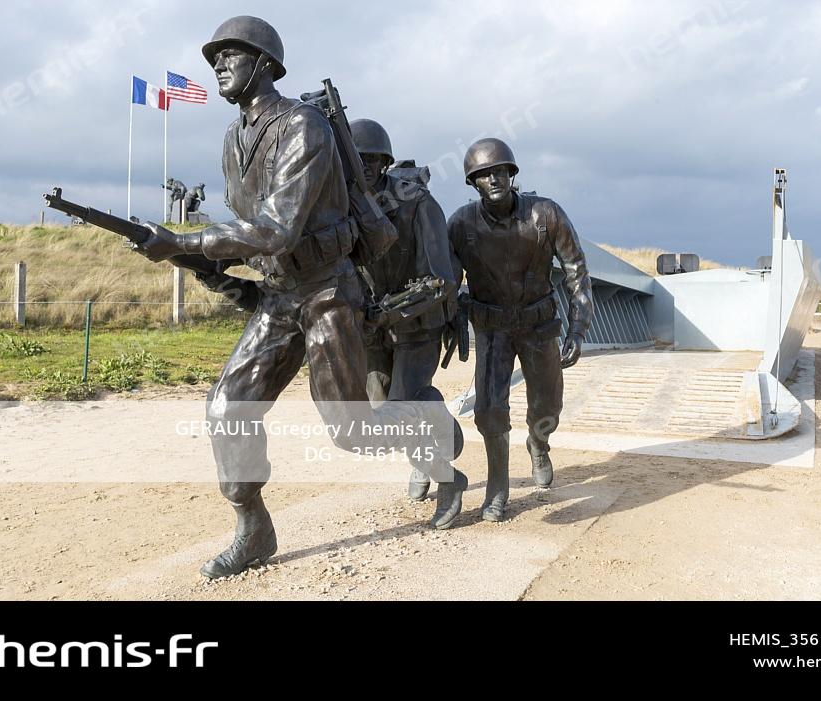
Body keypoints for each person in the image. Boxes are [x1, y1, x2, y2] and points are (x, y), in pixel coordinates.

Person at [131, 16, 467, 579]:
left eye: (231, 54)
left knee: (351, 430)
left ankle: (428, 427)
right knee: (227, 407)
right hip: (280, 294)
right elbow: (249, 233)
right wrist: (188, 255)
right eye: (214, 56)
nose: (218, 64)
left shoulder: (303, 126)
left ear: (265, 64)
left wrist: (186, 241)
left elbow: (276, 226)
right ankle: (253, 528)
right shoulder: (234, 139)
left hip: (327, 291)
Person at [448, 138, 593, 522]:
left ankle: (539, 443)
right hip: (492, 329)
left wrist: (578, 329)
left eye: (500, 171)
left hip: (539, 326)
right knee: (488, 410)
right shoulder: (461, 224)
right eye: (484, 175)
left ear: (512, 174)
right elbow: (447, 282)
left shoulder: (546, 214)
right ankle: (498, 486)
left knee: (547, 407)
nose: (494, 179)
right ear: (473, 182)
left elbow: (576, 270)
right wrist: (447, 318)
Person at [350, 118, 457, 502]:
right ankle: (427, 440)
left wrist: (390, 312)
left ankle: (434, 449)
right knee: (379, 406)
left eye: (371, 159)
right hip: (372, 330)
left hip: (418, 325)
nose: (363, 166)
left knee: (401, 406)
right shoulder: (340, 205)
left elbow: (441, 280)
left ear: (384, 163)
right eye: (356, 158)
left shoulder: (417, 203)